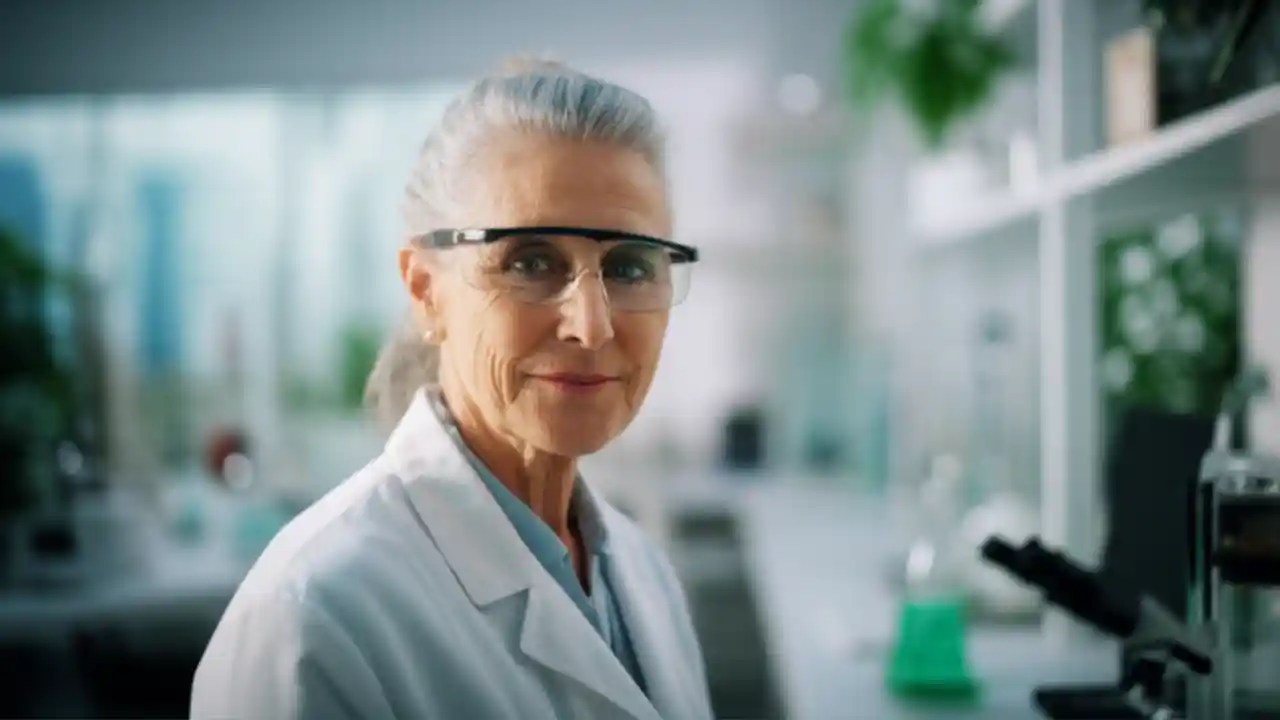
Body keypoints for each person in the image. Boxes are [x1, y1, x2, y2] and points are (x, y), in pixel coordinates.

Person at [190, 58, 713, 720]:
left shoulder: (643, 573)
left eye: (630, 267)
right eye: (531, 261)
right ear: (425, 292)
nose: (590, 325)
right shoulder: (313, 617)